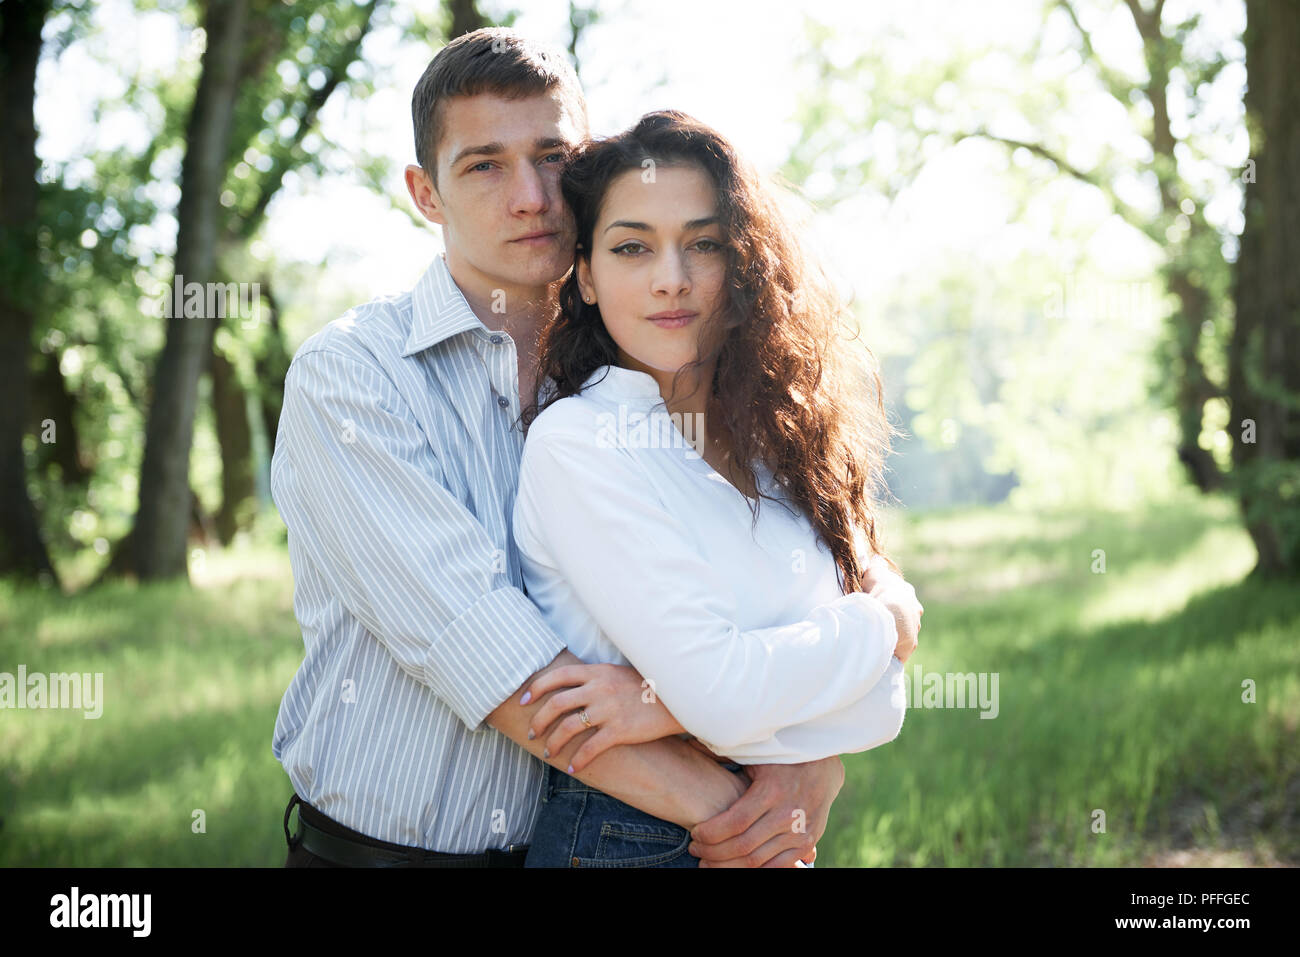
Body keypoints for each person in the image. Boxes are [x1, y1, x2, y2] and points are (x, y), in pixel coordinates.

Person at [270, 28, 922, 869]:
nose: (533, 196)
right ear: (425, 193)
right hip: (398, 855)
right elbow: (507, 675)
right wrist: (750, 805)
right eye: (484, 165)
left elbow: (789, 592)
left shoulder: (655, 370)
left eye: (552, 156)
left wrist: (806, 755)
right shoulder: (353, 379)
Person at [512, 110, 921, 868]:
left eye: (703, 243)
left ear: (743, 265)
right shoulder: (579, 443)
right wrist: (886, 620)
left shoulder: (777, 442)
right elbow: (730, 695)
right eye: (632, 247)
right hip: (626, 840)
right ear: (588, 276)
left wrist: (667, 703)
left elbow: (882, 703)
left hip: (768, 824)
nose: (672, 278)